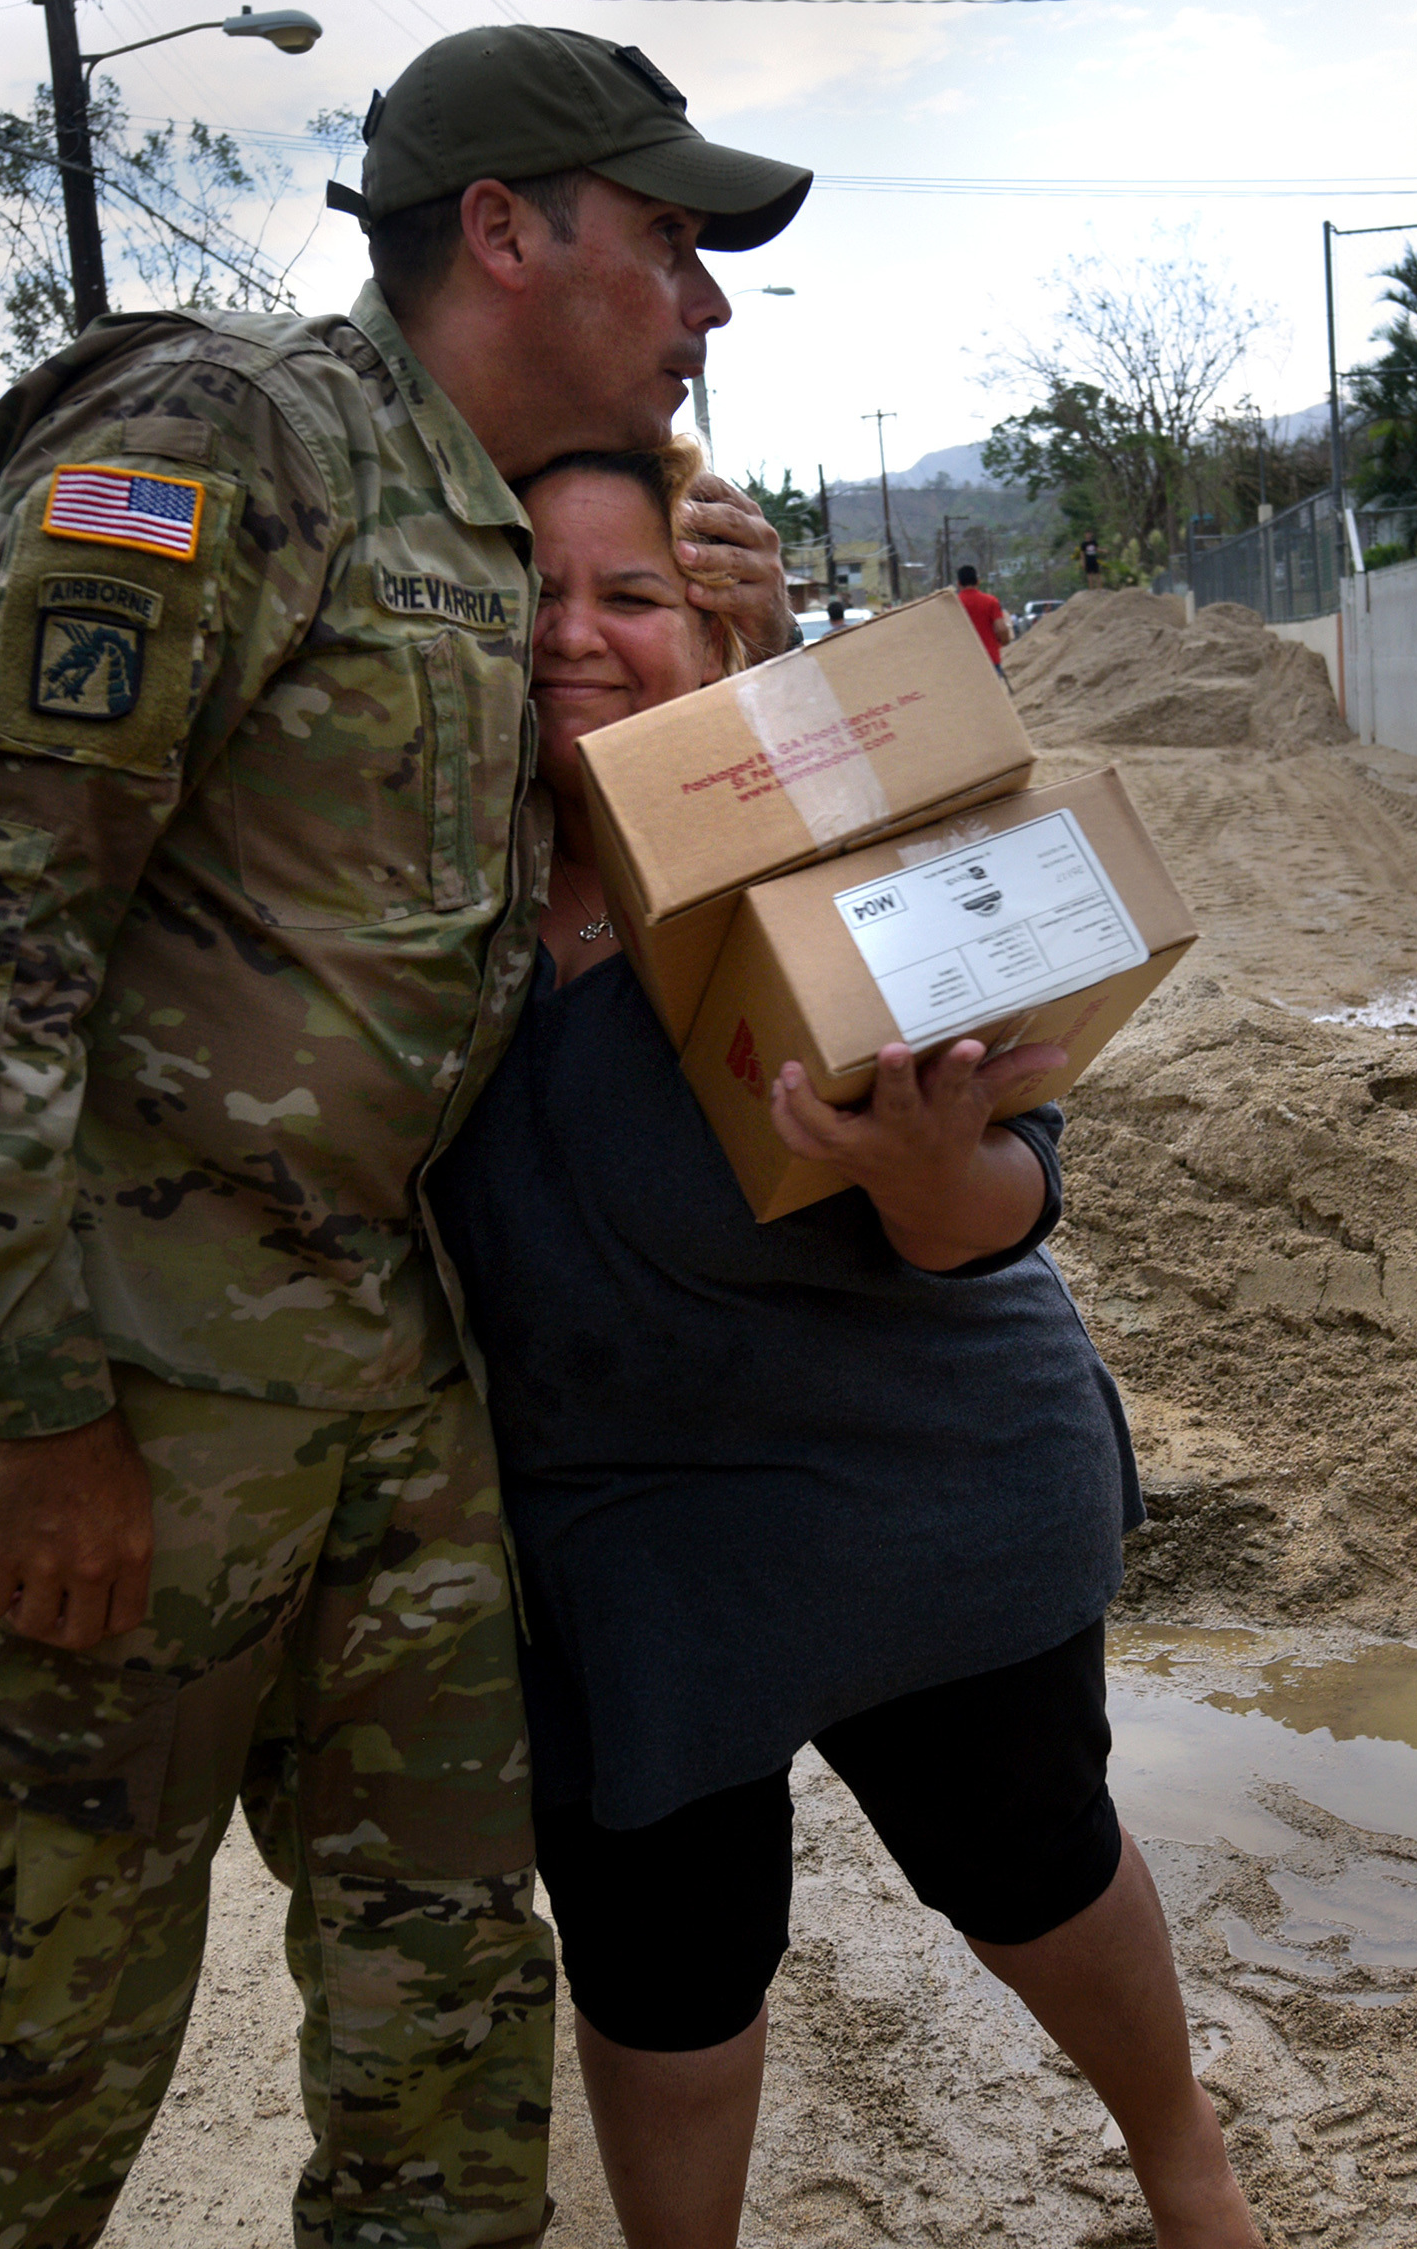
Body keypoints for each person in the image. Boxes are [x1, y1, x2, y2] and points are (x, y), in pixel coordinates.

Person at [0, 26, 806, 2246]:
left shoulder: (489, 537)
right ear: (504, 233)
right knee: (28, 2029)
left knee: (447, 1981)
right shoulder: (226, 440)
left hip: (380, 1372)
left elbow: (625, 928)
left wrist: (745, 661)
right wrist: (30, 1418)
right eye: (674, 239)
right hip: (130, 1380)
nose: (706, 300)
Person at [427, 446, 1265, 2249]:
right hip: (622, 1527)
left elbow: (1005, 1205)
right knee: (662, 1947)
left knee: (1028, 1858)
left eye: (630, 598)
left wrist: (922, 1161)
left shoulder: (827, 852)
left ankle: (1187, 2165)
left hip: (916, 1472)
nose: (573, 639)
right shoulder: (415, 880)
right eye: (526, 598)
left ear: (713, 621)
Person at [956, 560, 1013, 678]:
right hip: (990, 659)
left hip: (964, 662)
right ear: (978, 582)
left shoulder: (954, 604)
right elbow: (1001, 629)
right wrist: (1005, 641)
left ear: (959, 584)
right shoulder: (991, 601)